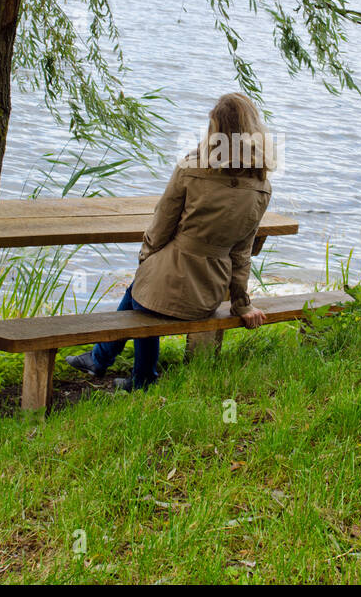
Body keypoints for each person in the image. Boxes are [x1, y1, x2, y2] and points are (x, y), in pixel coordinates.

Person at [66, 92, 275, 391]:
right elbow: (242, 252)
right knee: (144, 291)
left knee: (143, 293)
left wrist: (147, 258)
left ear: (215, 130)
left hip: (172, 280)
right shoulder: (261, 187)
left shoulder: (191, 169)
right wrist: (241, 303)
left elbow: (161, 225)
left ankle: (135, 375)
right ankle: (103, 361)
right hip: (208, 293)